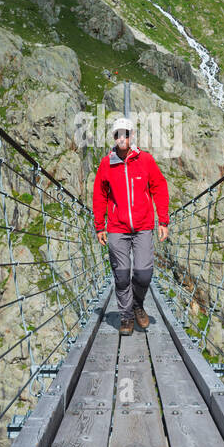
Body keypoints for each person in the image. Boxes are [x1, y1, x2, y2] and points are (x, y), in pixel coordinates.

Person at [92, 116, 169, 335]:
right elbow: (99, 195)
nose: (122, 137)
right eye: (118, 134)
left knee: (144, 273)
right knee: (122, 275)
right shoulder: (107, 163)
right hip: (117, 227)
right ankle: (126, 316)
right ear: (114, 138)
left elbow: (159, 187)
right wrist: (100, 225)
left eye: (125, 133)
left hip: (144, 225)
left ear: (132, 135)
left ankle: (137, 304)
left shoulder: (145, 160)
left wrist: (163, 220)